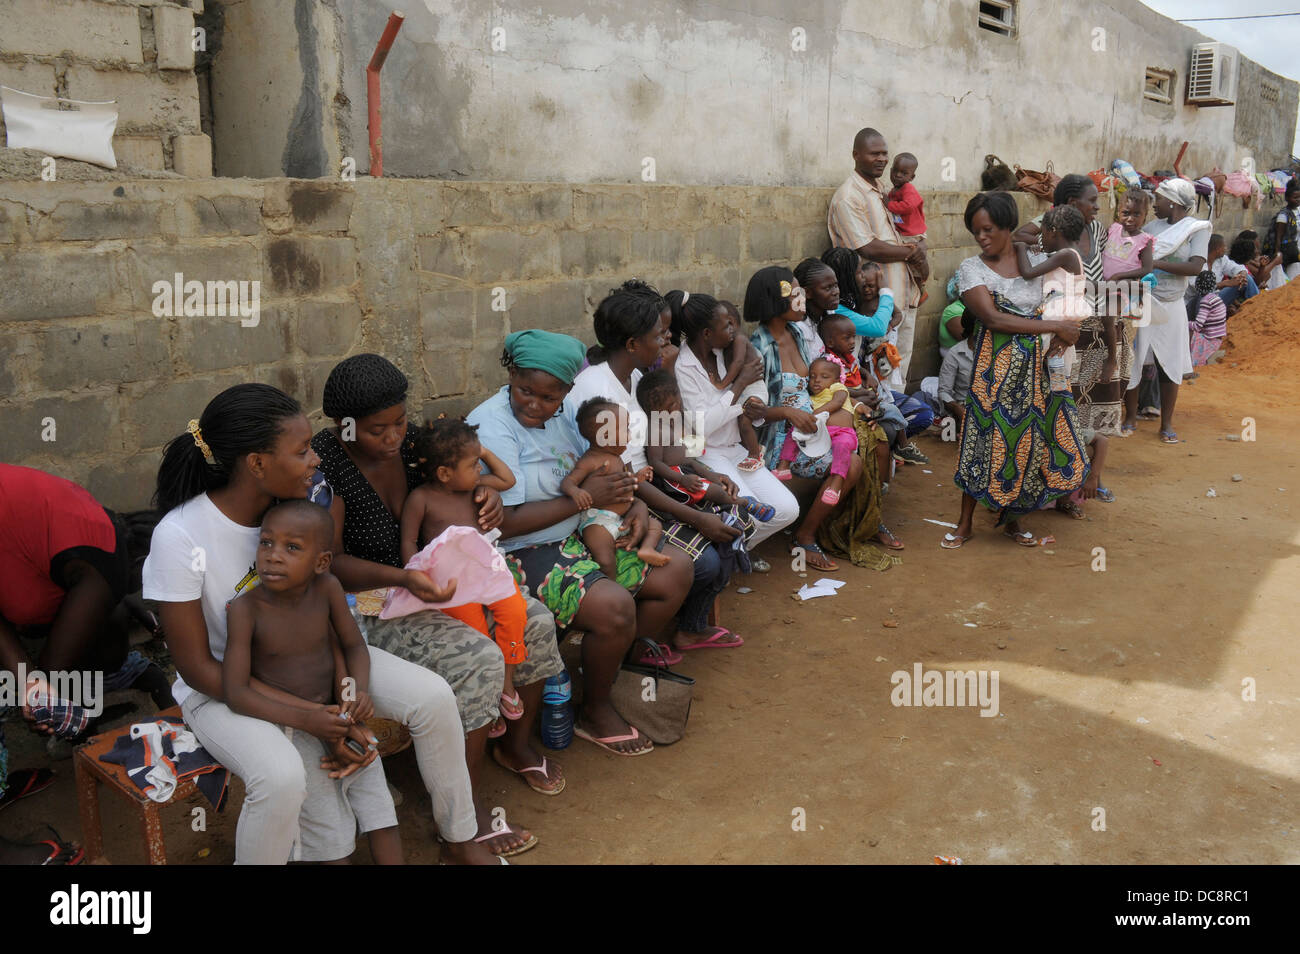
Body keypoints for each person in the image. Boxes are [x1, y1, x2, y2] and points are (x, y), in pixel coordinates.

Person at [143, 383, 497, 864]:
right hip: (223, 689)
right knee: (280, 776)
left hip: (312, 661)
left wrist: (344, 697)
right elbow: (195, 669)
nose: (315, 460)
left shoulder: (293, 516)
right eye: (303, 449)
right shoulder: (181, 536)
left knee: (433, 697)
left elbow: (325, 616)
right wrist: (312, 717)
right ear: (257, 464)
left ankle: (459, 837)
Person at [310, 355, 564, 855]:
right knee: (476, 659)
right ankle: (463, 817)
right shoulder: (328, 471)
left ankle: (514, 746)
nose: (393, 437)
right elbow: (329, 561)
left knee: (534, 619)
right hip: (372, 600)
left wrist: (485, 499)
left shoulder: (412, 448)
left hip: (441, 578)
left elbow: (464, 476)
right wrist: (404, 576)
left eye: (400, 422)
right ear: (344, 425)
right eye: (378, 428)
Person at [468, 330, 696, 756]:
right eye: (524, 391)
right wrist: (590, 504)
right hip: (521, 551)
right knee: (614, 605)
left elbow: (605, 466)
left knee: (677, 571)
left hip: (582, 530)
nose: (535, 405)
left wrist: (633, 509)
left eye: (549, 397)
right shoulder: (492, 426)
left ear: (567, 391)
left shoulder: (567, 412)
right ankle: (594, 707)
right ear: (511, 375)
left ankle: (603, 670)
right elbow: (507, 524)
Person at [568, 281, 750, 646]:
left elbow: (671, 440)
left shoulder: (639, 379)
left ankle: (687, 625)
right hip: (622, 503)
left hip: (655, 484)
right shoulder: (596, 392)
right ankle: (635, 644)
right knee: (707, 560)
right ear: (633, 344)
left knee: (737, 521)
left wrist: (703, 471)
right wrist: (695, 516)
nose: (667, 343)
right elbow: (618, 479)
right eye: (660, 336)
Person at [223, 500, 401, 865]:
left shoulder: (327, 589)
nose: (272, 556)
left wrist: (357, 693)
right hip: (292, 730)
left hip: (343, 718)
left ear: (321, 562)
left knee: (381, 813)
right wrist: (317, 721)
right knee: (329, 841)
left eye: (292, 548)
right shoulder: (246, 610)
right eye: (266, 543)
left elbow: (353, 645)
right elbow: (236, 692)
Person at [941, 192, 1088, 549]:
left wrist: (1068, 330)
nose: (981, 237)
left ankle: (1015, 521)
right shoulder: (971, 269)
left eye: (988, 229)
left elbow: (1070, 294)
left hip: (1036, 370)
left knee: (1029, 441)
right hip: (993, 372)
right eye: (975, 231)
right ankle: (965, 523)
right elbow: (992, 318)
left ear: (1008, 225)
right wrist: (1052, 329)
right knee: (981, 441)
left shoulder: (1038, 262)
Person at [745, 265, 902, 567]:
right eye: (795, 293)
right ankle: (806, 535)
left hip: (812, 426)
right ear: (776, 302)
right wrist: (790, 413)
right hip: (779, 441)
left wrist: (849, 404)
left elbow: (817, 386)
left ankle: (858, 524)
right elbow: (751, 413)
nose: (801, 298)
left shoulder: (794, 332)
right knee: (851, 463)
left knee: (871, 437)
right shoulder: (759, 347)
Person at [399, 418, 530, 733]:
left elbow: (507, 479)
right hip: (451, 581)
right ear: (444, 473)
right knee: (476, 633)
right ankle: (488, 700)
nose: (478, 470)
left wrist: (480, 450)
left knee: (515, 611)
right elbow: (408, 541)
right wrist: (415, 577)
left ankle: (505, 686)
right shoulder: (421, 499)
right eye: (473, 464)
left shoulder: (475, 487)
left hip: (486, 569)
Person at [672, 286, 800, 562]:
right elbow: (701, 425)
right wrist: (739, 392)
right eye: (726, 325)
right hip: (706, 452)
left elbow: (754, 389)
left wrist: (756, 406)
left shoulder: (727, 352)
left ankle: (736, 551)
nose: (733, 329)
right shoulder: (683, 367)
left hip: (735, 447)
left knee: (788, 509)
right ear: (707, 334)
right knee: (750, 508)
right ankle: (724, 559)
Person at [827, 126, 925, 381]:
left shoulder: (885, 190)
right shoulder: (848, 197)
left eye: (884, 153)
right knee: (878, 379)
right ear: (856, 155)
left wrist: (915, 250)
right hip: (875, 309)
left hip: (902, 300)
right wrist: (910, 252)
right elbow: (867, 248)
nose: (881, 159)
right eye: (874, 154)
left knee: (898, 376)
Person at [1122, 178, 1208, 445]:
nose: (1154, 204)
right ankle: (1130, 418)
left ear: (1172, 202)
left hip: (1172, 305)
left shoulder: (1197, 229)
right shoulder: (1152, 227)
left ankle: (1167, 423)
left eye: (1158, 199)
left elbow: (1195, 267)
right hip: (1145, 301)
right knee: (1133, 359)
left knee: (1169, 363)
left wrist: (1153, 263)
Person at [565, 398, 670, 576]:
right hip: (597, 521)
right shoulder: (590, 461)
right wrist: (576, 491)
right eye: (625, 429)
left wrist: (638, 478)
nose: (630, 435)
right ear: (606, 436)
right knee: (605, 559)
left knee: (654, 525)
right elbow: (568, 482)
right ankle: (611, 585)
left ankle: (646, 549)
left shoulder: (617, 457)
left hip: (621, 520)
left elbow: (625, 485)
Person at [773, 357, 865, 506]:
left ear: (836, 380)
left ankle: (836, 484)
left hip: (843, 433)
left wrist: (812, 415)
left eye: (824, 376)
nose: (817, 380)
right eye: (813, 376)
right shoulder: (812, 397)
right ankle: (783, 466)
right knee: (794, 432)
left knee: (842, 449)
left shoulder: (838, 388)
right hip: (822, 433)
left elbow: (837, 402)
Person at [888, 152, 931, 304]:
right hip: (904, 231)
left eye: (904, 173)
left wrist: (888, 205)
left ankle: (921, 290)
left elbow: (908, 206)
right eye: (895, 171)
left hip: (912, 233)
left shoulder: (908, 188)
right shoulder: (894, 190)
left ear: (911, 177)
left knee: (914, 263)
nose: (898, 175)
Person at [937, 309, 978, 428]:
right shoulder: (955, 353)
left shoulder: (996, 352)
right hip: (966, 406)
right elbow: (944, 391)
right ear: (973, 328)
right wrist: (957, 408)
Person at [1204, 233, 1256, 312]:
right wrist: (1224, 284)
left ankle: (1258, 305)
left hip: (1219, 298)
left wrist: (1242, 276)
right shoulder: (1199, 263)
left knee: (1247, 278)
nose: (1226, 248)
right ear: (1217, 249)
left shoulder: (1222, 260)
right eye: (1224, 246)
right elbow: (1199, 289)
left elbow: (1238, 267)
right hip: (1201, 304)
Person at [1187, 270, 1228, 367]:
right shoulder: (1216, 298)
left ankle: (1187, 359)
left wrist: (1184, 323)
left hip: (1209, 341)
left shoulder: (1205, 301)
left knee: (1188, 332)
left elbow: (1197, 326)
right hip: (1217, 340)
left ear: (1197, 284)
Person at [1267, 178, 1300, 281]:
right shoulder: (1283, 215)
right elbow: (1278, 236)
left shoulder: (1297, 212)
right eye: (1295, 197)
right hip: (1287, 252)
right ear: (1287, 198)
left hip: (1295, 250)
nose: (1298, 200)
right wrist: (1277, 253)